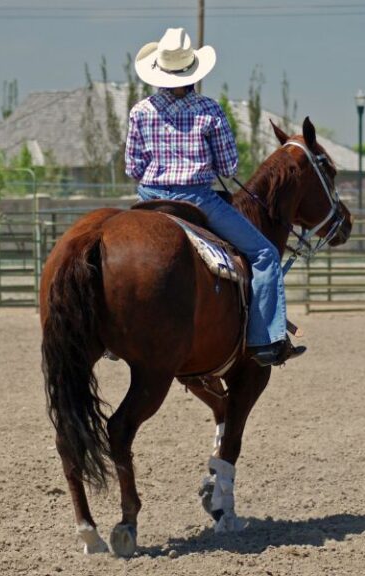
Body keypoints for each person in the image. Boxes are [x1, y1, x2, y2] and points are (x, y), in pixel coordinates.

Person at [125, 27, 304, 367]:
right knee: (264, 254)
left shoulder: (140, 111)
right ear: (192, 70)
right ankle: (265, 341)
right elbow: (229, 165)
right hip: (196, 201)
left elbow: (133, 166)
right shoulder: (209, 110)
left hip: (149, 198)